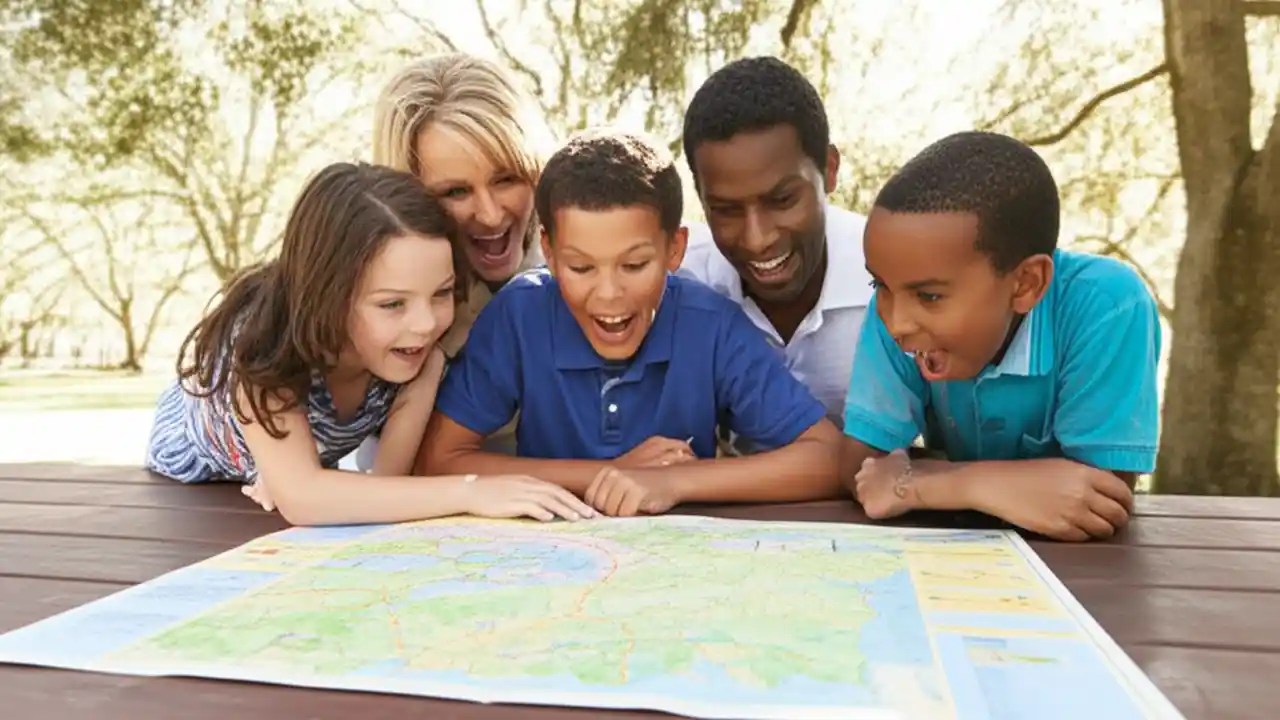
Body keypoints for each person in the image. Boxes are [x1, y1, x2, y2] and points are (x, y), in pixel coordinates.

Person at [416, 130, 843, 517]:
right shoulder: (518, 316)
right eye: (581, 267)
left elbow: (829, 457)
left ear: (674, 250)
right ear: (547, 249)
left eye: (635, 264)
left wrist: (671, 482)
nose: (608, 294)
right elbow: (438, 459)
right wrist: (610, 474)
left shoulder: (709, 326)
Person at [144, 162, 594, 526]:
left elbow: (387, 485)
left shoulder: (419, 361)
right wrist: (472, 490)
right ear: (328, 297)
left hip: (293, 466)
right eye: (392, 304)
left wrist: (304, 482)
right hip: (196, 467)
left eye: (440, 294)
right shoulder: (262, 350)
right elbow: (304, 500)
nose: (424, 324)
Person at [841, 131, 1161, 542]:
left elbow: (1097, 498)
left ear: (1027, 283)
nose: (897, 321)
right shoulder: (900, 302)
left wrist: (929, 482)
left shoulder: (1108, 305)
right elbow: (859, 465)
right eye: (878, 285)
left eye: (930, 295)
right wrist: (995, 485)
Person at [677, 56, 872, 454]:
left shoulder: (895, 283)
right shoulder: (680, 286)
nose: (757, 239)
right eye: (727, 210)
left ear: (829, 170)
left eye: (783, 200)